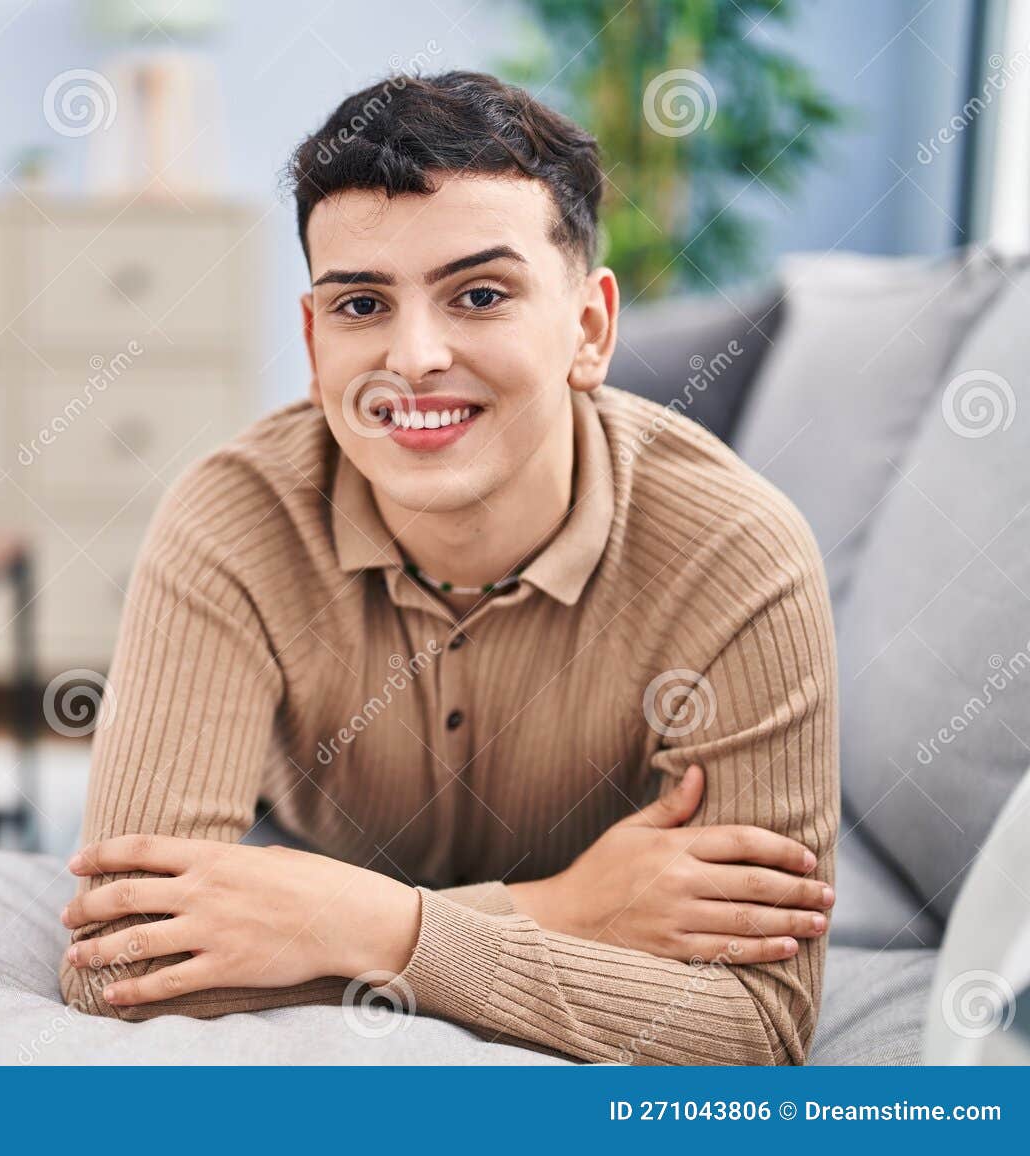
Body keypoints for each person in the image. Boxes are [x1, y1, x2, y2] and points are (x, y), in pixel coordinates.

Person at [57, 70, 837, 1065]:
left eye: (478, 294)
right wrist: (560, 910)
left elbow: (756, 1023)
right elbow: (117, 968)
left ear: (589, 329)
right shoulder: (229, 522)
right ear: (312, 340)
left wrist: (371, 927)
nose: (414, 355)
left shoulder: (738, 554)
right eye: (361, 305)